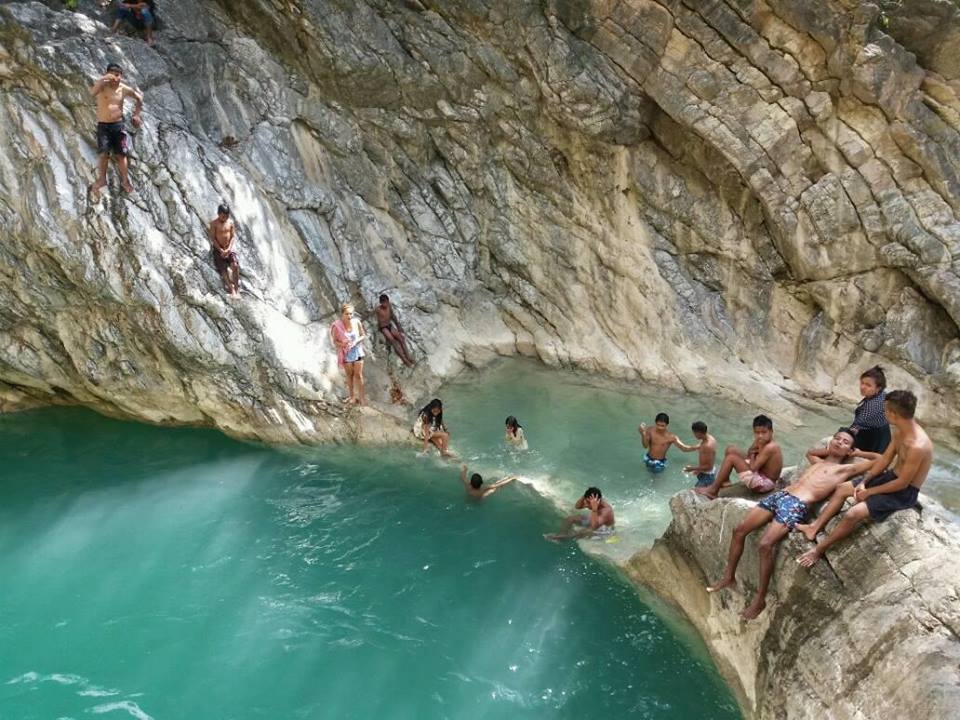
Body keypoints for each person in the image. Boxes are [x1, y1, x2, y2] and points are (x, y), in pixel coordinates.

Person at [706, 428, 872, 619]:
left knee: (765, 545)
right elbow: (810, 452)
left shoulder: (845, 469)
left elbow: (879, 460)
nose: (839, 442)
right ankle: (728, 577)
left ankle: (760, 600)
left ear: (850, 451)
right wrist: (831, 449)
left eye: (845, 442)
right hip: (781, 495)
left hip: (796, 504)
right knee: (739, 530)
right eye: (837, 439)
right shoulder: (818, 461)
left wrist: (858, 453)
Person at [797, 390, 932, 568]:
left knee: (852, 514)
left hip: (904, 492)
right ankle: (814, 527)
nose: (883, 413)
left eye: (885, 410)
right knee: (842, 488)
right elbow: (885, 460)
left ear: (893, 414)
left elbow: (902, 483)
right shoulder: (899, 431)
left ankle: (819, 550)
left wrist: (869, 492)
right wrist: (864, 482)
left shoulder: (918, 446)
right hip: (891, 477)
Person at [88, 62, 143, 199]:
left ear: (121, 76)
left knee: (121, 155)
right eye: (112, 75)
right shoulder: (102, 86)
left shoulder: (123, 89)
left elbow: (139, 98)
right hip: (103, 126)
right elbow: (92, 92)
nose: (115, 78)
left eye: (118, 75)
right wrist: (104, 78)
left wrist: (137, 114)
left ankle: (125, 181)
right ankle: (102, 179)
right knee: (103, 153)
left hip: (118, 125)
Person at [695, 415, 782, 499]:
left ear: (771, 431)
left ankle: (713, 491)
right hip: (758, 471)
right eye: (757, 433)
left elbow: (753, 467)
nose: (760, 436)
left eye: (764, 432)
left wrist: (753, 455)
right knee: (730, 449)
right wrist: (753, 451)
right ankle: (725, 482)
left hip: (765, 483)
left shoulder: (770, 447)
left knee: (731, 458)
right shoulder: (761, 440)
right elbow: (749, 452)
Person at [544, 487, 615, 542]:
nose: (586, 504)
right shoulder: (592, 500)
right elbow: (577, 507)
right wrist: (583, 497)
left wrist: (594, 509)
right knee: (570, 519)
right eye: (587, 501)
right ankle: (562, 536)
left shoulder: (606, 510)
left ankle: (563, 538)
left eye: (588, 502)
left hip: (604, 529)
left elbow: (594, 526)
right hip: (593, 520)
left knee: (584, 532)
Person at [329, 303, 366, 405]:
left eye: (351, 314)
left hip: (357, 351)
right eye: (347, 314)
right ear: (342, 314)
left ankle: (362, 398)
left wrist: (356, 341)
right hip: (346, 352)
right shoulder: (336, 326)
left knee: (358, 375)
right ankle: (352, 397)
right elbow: (335, 342)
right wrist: (343, 344)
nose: (349, 316)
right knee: (349, 375)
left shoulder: (357, 322)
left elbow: (363, 335)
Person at [849, 365, 891, 453]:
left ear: (878, 388)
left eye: (868, 385)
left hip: (872, 442)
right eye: (862, 383)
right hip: (883, 435)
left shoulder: (871, 408)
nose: (862, 387)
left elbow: (854, 429)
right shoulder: (882, 395)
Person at [209, 204, 240, 298]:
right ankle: (232, 290)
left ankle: (237, 289)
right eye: (223, 216)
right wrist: (221, 250)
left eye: (227, 216)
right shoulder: (214, 223)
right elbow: (213, 238)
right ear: (218, 214)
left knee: (235, 265)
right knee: (223, 269)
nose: (225, 218)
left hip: (229, 248)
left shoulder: (230, 223)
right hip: (219, 249)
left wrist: (229, 249)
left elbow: (233, 237)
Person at [374, 294, 414, 367]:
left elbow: (393, 316)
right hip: (383, 328)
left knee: (401, 339)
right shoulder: (378, 309)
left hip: (389, 325)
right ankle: (405, 360)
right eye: (384, 303)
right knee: (393, 341)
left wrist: (399, 326)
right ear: (381, 303)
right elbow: (369, 314)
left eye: (386, 302)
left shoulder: (389, 306)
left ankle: (408, 356)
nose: (385, 304)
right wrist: (360, 320)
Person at [676, 421, 717, 487]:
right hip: (706, 472)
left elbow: (709, 467)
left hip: (707, 476)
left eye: (694, 433)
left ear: (698, 433)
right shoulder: (710, 438)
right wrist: (698, 470)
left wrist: (692, 468)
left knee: (695, 492)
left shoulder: (707, 446)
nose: (694, 435)